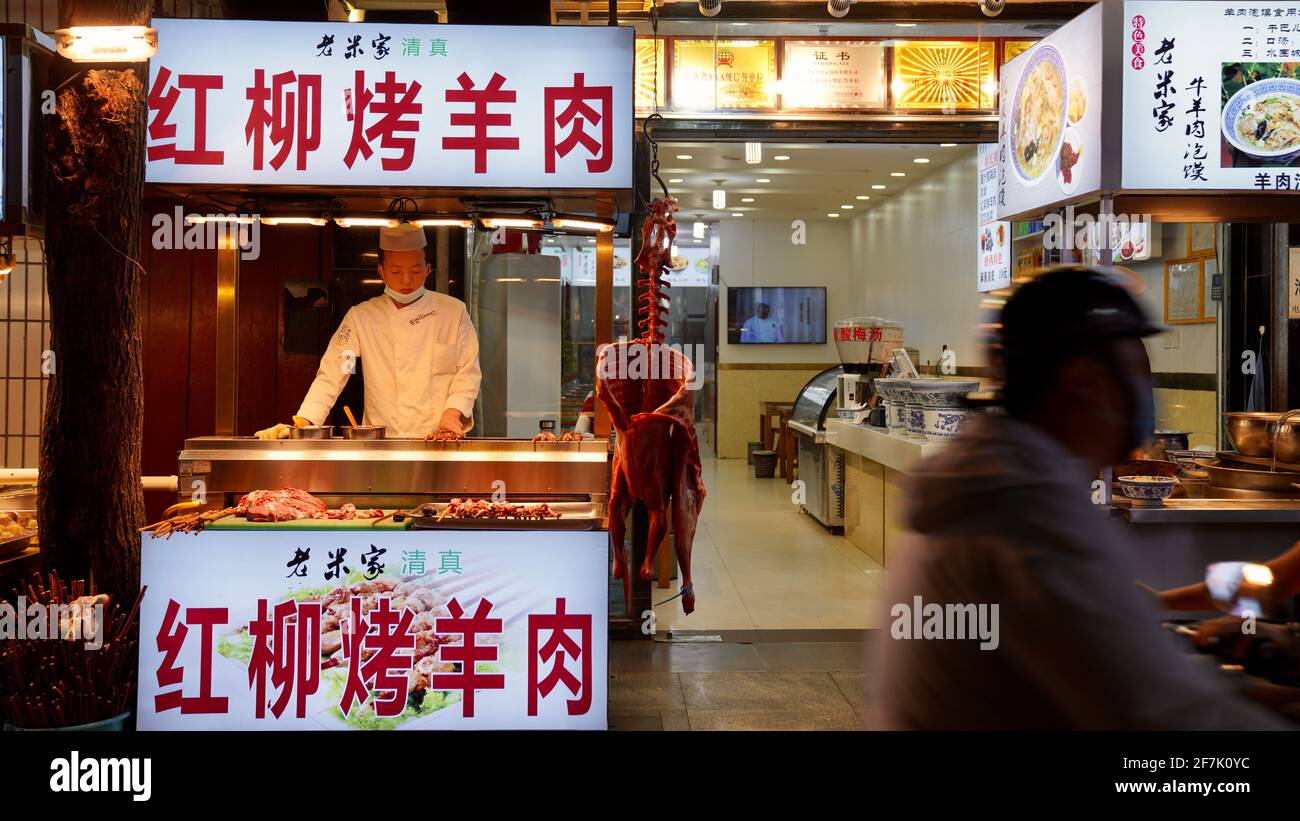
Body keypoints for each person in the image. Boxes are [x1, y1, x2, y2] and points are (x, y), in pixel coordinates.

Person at [873, 265, 1292, 730]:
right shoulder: (1028, 514)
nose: (1144, 394)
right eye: (1135, 370)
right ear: (1085, 381)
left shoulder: (995, 482)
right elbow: (1163, 712)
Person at [255, 223, 482, 440]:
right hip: (380, 443)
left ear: (428, 269)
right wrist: (304, 423)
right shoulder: (362, 318)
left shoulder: (453, 312)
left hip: (438, 439)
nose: (407, 279)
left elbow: (467, 372)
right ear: (381, 271)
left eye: (415, 270)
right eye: (395, 271)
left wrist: (453, 413)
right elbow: (336, 371)